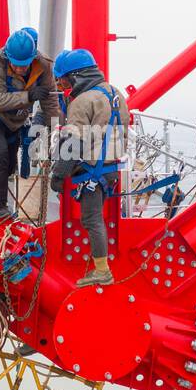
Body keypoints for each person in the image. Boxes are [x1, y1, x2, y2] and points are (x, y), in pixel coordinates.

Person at [49, 49, 131, 287]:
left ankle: (102, 271)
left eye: (63, 79)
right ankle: (101, 267)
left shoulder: (82, 102)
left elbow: (75, 143)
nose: (62, 84)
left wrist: (58, 174)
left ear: (77, 76)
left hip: (92, 172)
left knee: (92, 219)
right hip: (112, 168)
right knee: (96, 219)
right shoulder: (115, 94)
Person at [0, 27, 61, 220]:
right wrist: (28, 96)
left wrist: (54, 128)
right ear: (8, 57)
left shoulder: (43, 67)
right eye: (16, 64)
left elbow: (50, 101)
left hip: (16, 122)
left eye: (24, 65)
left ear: (33, 58)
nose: (20, 69)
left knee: (8, 167)